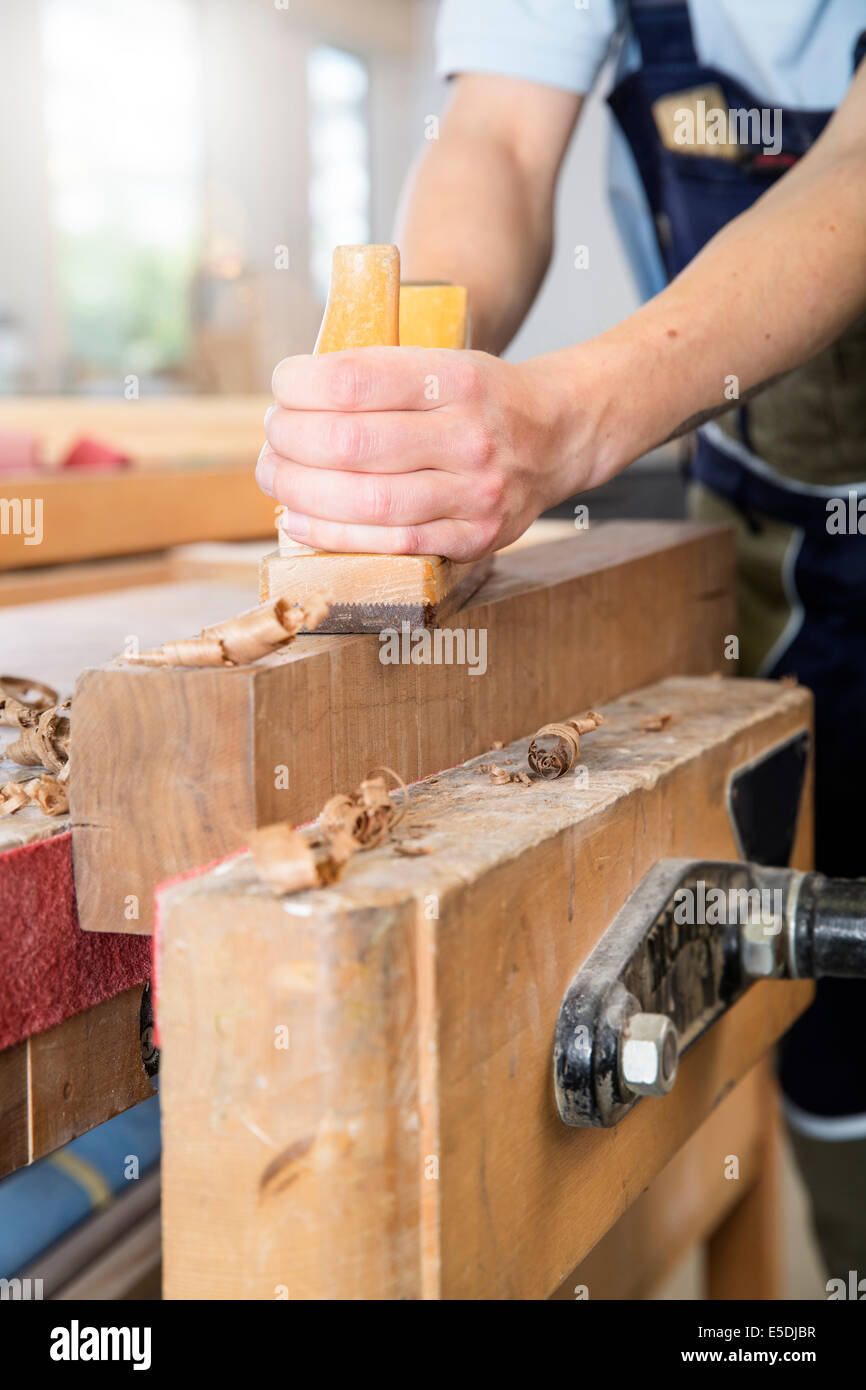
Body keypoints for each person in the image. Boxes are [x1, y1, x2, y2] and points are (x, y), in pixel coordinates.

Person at [257, 2, 866, 1282]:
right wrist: (410, 392)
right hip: (777, 521)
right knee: (826, 1023)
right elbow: (496, 141)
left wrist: (567, 421)